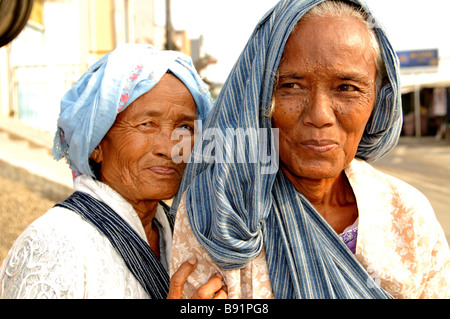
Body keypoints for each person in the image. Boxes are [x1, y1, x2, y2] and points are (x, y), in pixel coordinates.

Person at [169, 0, 450, 299]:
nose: (319, 115)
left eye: (347, 88)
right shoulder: (219, 214)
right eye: (291, 86)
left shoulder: (407, 215)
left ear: (378, 100)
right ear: (259, 97)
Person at [0, 43, 226, 299]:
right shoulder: (54, 246)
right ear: (96, 144)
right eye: (147, 124)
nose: (170, 147)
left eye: (185, 127)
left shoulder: (186, 237)